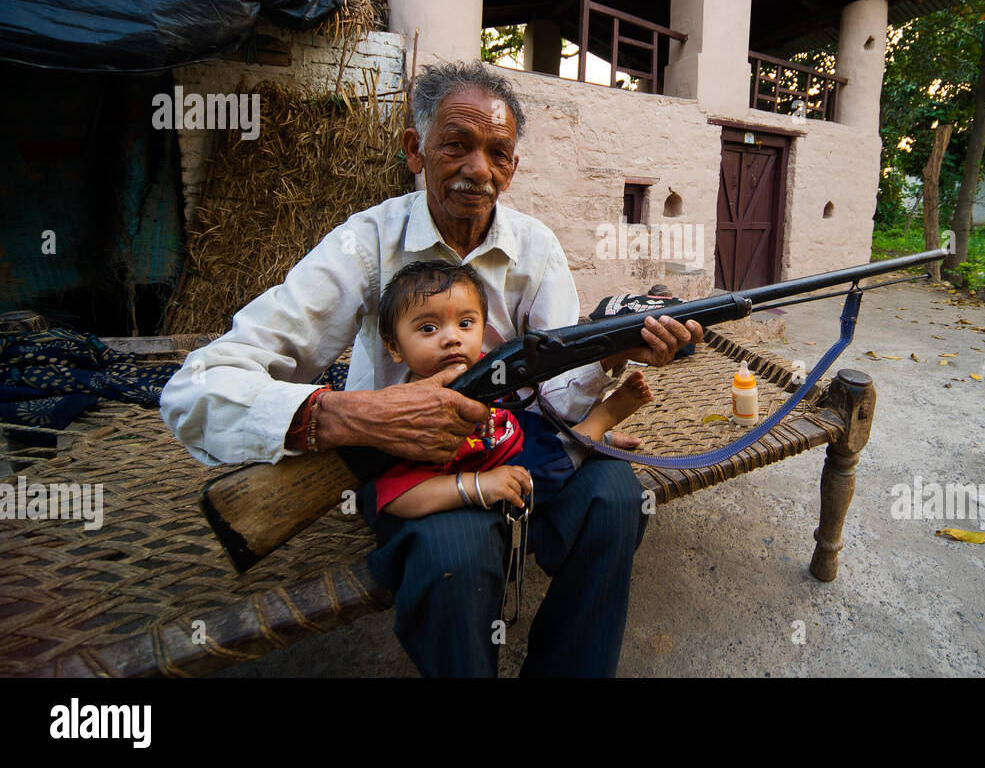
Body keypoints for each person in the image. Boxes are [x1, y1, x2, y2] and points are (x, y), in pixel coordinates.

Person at [159, 60, 703, 677]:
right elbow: (195, 389)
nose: (478, 168)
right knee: (458, 550)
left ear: (513, 168)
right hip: (403, 467)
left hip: (513, 443)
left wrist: (609, 359)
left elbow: (554, 391)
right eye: (456, 145)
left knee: (615, 497)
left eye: (497, 152)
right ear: (415, 151)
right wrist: (352, 416)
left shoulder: (537, 246)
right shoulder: (365, 243)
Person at [369, 257, 654, 520]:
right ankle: (596, 426)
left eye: (465, 323)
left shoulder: (486, 368)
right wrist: (478, 485)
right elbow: (397, 496)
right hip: (502, 475)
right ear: (393, 346)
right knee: (537, 470)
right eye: (429, 328)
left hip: (513, 438)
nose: (452, 338)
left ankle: (589, 438)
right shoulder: (408, 412)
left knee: (540, 418)